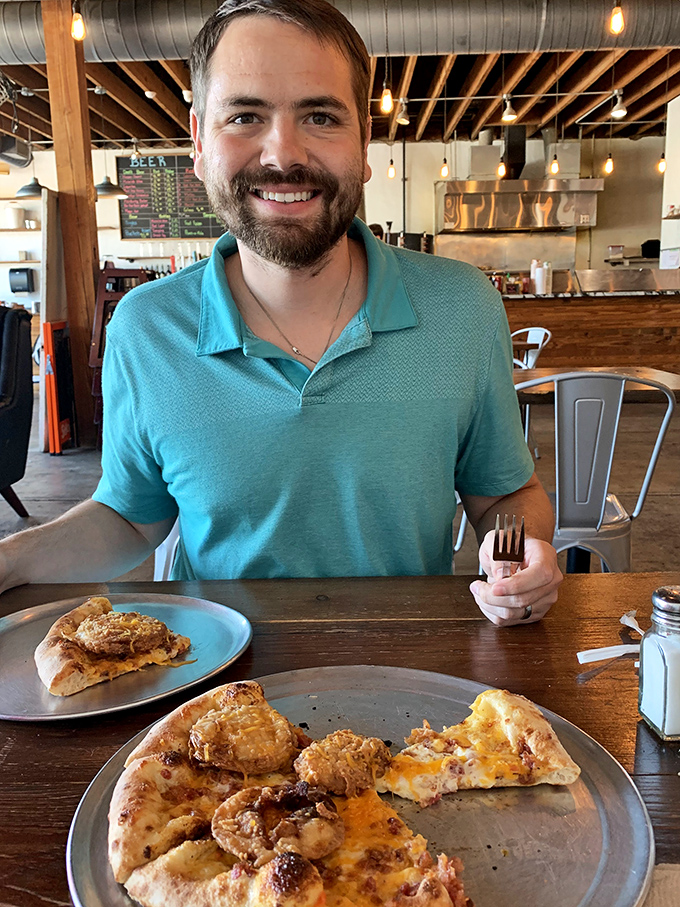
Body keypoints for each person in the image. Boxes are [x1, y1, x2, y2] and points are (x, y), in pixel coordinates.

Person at [0, 0, 561, 626]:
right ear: (198, 139)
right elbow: (132, 516)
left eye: (320, 116)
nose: (281, 154)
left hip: (407, 676)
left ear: (364, 142)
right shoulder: (146, 327)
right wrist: (12, 560)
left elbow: (506, 494)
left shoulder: (462, 307)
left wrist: (522, 549)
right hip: (214, 687)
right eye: (245, 116)